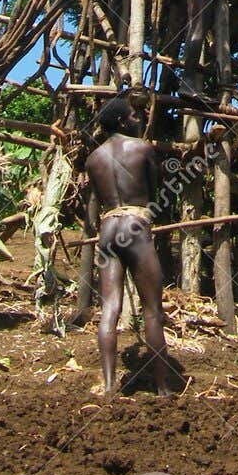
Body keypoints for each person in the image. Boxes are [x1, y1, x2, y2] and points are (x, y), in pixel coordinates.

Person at [85, 95, 172, 395]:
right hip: (136, 224)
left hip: (108, 228)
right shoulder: (142, 149)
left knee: (109, 308)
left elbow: (100, 198)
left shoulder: (93, 159)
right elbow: (153, 189)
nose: (138, 120)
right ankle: (163, 388)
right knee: (152, 311)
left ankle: (109, 386)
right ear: (122, 121)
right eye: (134, 117)